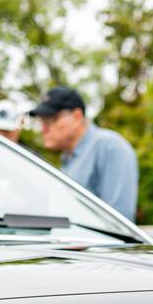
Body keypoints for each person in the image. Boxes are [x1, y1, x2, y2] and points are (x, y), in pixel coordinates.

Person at [28, 86, 138, 220]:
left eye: (50, 120)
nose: (43, 129)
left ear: (77, 117)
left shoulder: (109, 147)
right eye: (41, 122)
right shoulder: (68, 159)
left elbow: (120, 219)